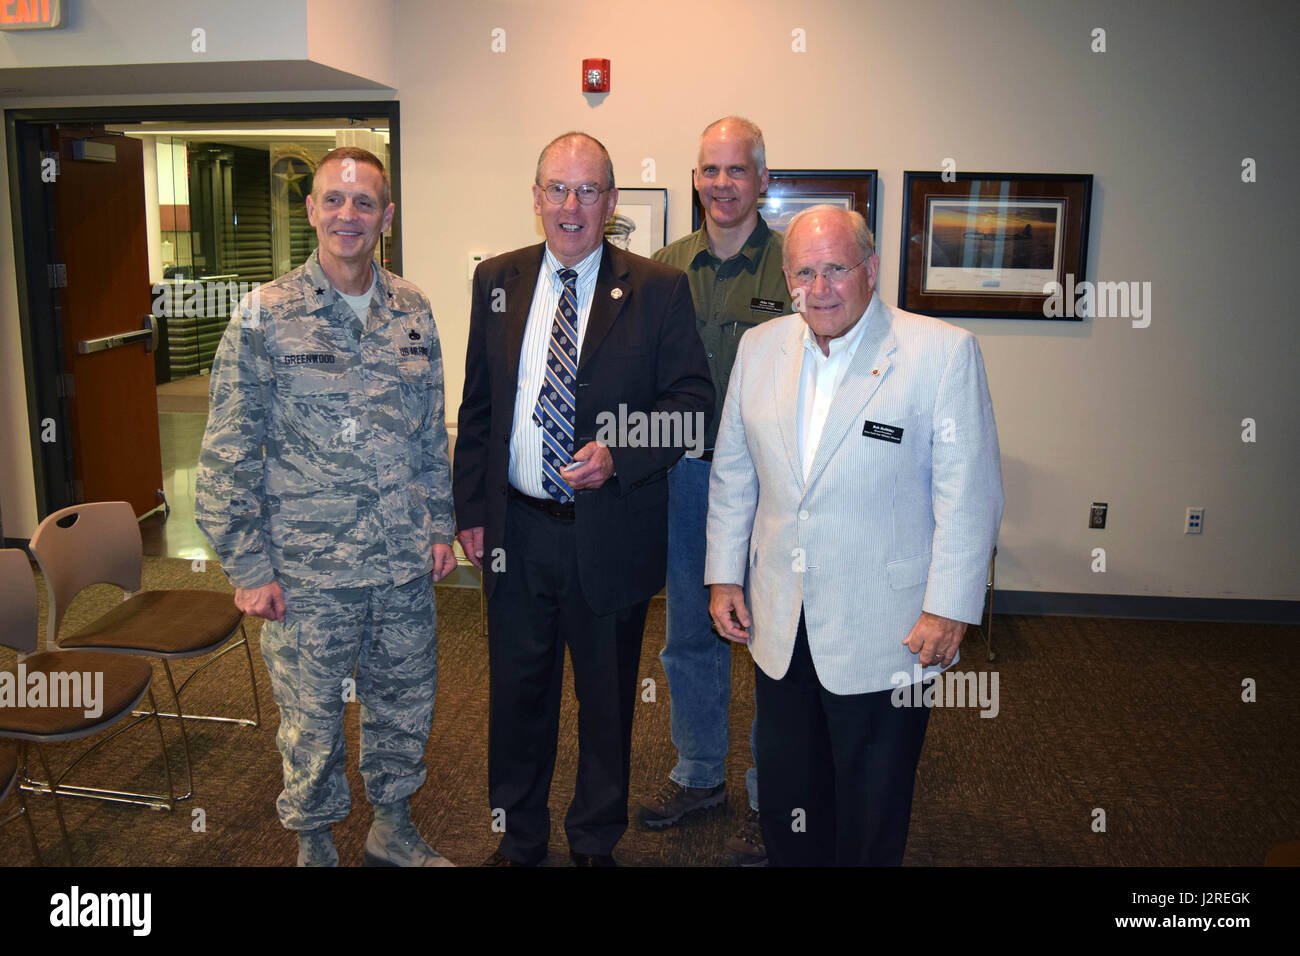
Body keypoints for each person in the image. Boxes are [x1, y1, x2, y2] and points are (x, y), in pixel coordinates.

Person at [705, 205, 1003, 866]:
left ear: (870, 269)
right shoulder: (761, 347)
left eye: (836, 268)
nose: (821, 287)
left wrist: (948, 607)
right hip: (781, 619)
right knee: (790, 793)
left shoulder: (940, 353)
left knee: (872, 801)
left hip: (889, 624)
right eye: (804, 272)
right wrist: (725, 573)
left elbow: (970, 493)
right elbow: (733, 472)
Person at [453, 132, 713, 867]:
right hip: (517, 532)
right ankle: (520, 839)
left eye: (588, 190)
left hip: (609, 533)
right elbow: (479, 406)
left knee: (605, 707)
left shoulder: (658, 288)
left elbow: (692, 404)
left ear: (611, 202)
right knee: (516, 703)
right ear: (536, 197)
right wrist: (471, 511)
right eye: (557, 189)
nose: (571, 206)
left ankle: (595, 840)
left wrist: (619, 455)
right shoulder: (496, 280)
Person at [196, 146, 458, 867]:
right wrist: (248, 566)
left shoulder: (413, 310)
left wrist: (439, 524)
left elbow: (428, 432)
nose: (349, 215)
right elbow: (227, 454)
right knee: (311, 723)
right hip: (307, 573)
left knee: (404, 705)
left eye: (364, 202)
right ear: (311, 209)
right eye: (333, 200)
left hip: (402, 562)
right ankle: (314, 844)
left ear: (386, 216)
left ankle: (392, 826)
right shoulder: (264, 316)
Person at [637, 117, 786, 865]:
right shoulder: (663, 266)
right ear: (694, 177)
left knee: (770, 639)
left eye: (737, 170)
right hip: (687, 477)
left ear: (763, 179)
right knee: (691, 635)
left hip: (773, 485)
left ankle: (771, 794)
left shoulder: (795, 265)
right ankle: (699, 777)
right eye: (709, 170)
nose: (721, 184)